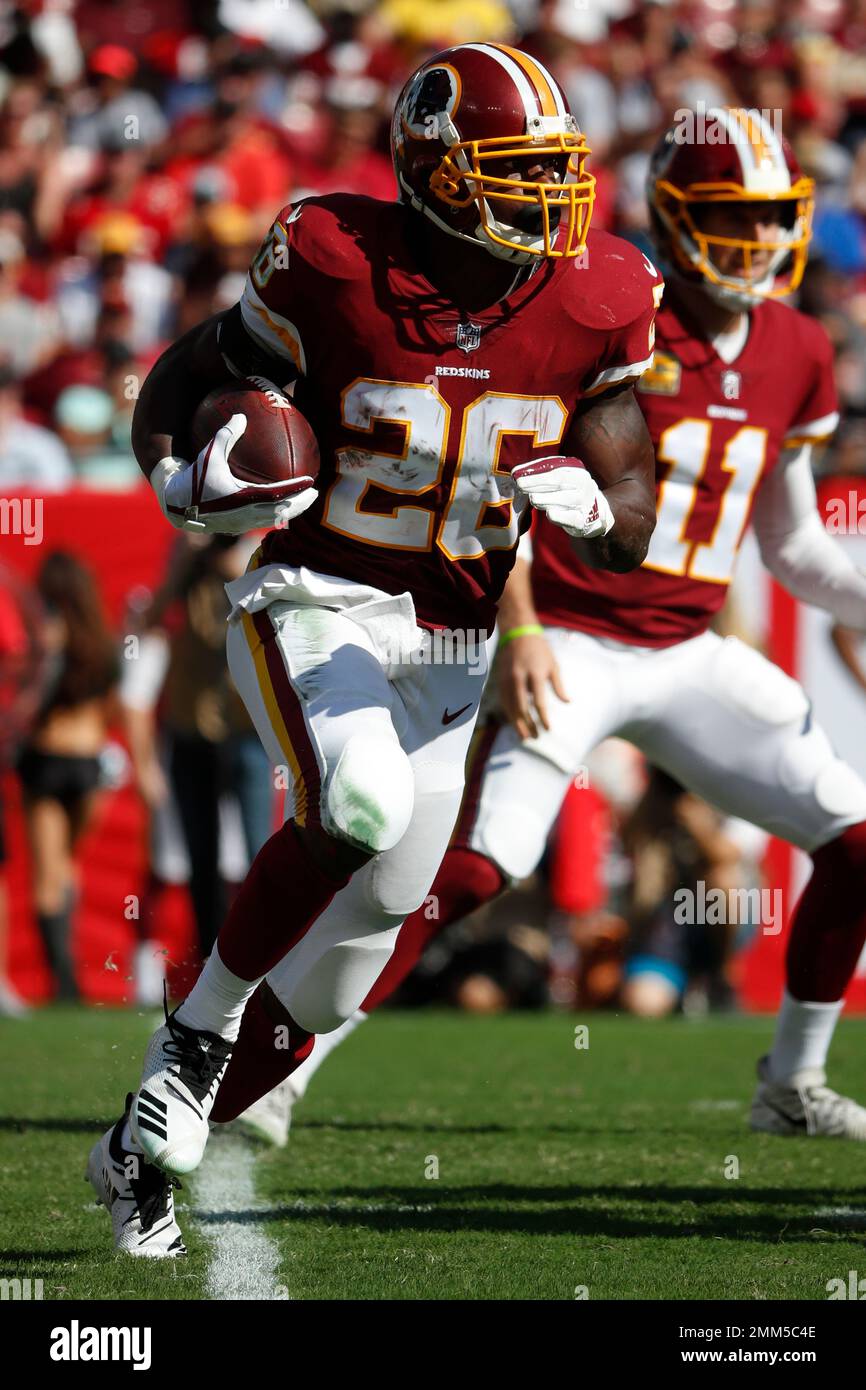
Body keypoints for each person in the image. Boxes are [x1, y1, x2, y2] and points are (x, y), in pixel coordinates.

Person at [86, 41, 663, 1257]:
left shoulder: (597, 294)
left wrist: (600, 522)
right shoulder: (334, 259)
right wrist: (179, 485)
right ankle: (189, 1037)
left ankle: (134, 1151)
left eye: (555, 169)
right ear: (438, 174)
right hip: (317, 601)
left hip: (452, 644)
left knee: (347, 972)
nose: (554, 198)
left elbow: (628, 518)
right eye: (515, 169)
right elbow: (188, 373)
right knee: (354, 798)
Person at [265, 107, 866, 1146]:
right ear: (674, 219)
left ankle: (789, 1083)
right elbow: (486, 485)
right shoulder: (609, 312)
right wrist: (524, 624)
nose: (755, 243)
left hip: (684, 649)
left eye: (770, 218)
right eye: (731, 218)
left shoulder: (798, 347)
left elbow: (792, 546)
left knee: (856, 844)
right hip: (574, 642)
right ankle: (281, 1065)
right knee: (471, 867)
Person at [16, 552, 119, 1001]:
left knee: (48, 874)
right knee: (68, 867)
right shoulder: (102, 641)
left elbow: (25, 701)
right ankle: (68, 980)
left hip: (46, 759)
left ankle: (64, 984)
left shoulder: (43, 637)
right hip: (88, 760)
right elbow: (111, 703)